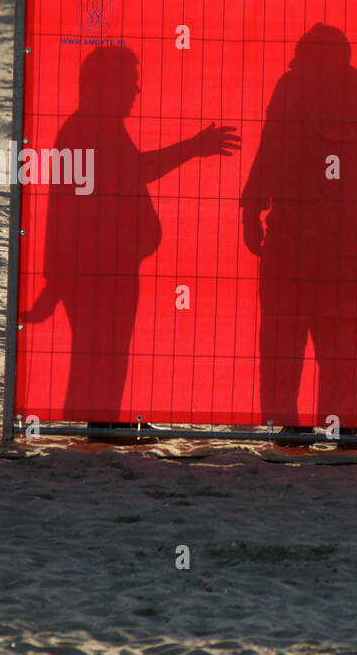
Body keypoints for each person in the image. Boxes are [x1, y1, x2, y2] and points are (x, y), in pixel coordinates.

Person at [22, 46, 239, 440]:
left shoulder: (96, 126)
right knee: (102, 353)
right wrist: (192, 147)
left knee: (104, 354)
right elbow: (133, 172)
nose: (136, 93)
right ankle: (103, 428)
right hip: (99, 270)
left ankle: (107, 423)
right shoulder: (89, 128)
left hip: (105, 267)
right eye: (129, 84)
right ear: (105, 86)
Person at [241, 24, 357, 450]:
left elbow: (269, 151)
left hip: (295, 236)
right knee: (339, 338)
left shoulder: (293, 89)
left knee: (284, 336)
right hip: (350, 243)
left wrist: (251, 208)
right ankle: (342, 427)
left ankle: (287, 426)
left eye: (301, 58)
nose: (294, 65)